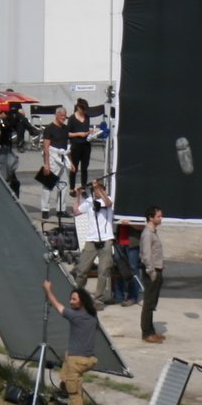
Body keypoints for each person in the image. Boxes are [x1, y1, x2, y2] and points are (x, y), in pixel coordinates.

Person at [41, 278, 101, 405]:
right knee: (64, 377)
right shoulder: (92, 317)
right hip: (87, 359)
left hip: (76, 361)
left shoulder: (76, 316)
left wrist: (48, 290)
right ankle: (60, 397)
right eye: (70, 298)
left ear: (82, 301)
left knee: (75, 395)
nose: (70, 301)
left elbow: (58, 306)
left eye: (74, 299)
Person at [73, 178, 116, 307]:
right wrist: (78, 195)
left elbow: (108, 203)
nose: (97, 191)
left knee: (103, 271)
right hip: (91, 239)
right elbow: (76, 211)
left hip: (106, 239)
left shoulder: (108, 199)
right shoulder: (89, 202)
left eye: (100, 189)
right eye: (95, 190)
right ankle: (77, 294)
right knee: (82, 269)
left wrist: (98, 188)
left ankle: (99, 298)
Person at [139, 205, 167, 343]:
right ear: (151, 217)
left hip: (157, 269)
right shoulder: (148, 234)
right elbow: (146, 255)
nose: (161, 218)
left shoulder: (153, 232)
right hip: (152, 271)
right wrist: (151, 272)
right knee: (149, 303)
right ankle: (146, 332)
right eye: (158, 216)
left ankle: (152, 330)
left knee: (152, 302)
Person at [0, 102, 29, 195]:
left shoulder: (16, 104)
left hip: (14, 124)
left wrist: (14, 114)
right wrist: (6, 114)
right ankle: (30, 131)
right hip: (5, 124)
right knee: (20, 119)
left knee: (20, 119)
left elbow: (22, 112)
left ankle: (21, 141)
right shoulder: (0, 103)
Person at [39, 114, 71, 215]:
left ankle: (61, 209)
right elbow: (46, 147)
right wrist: (46, 164)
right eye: (61, 115)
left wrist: (71, 162)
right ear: (56, 116)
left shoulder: (66, 128)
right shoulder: (49, 128)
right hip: (53, 157)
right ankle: (45, 209)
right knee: (48, 184)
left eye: (65, 116)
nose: (63, 117)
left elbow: (67, 146)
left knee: (63, 184)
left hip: (63, 158)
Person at [112, 216, 142, 306]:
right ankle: (118, 296)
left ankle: (132, 297)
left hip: (132, 243)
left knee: (133, 269)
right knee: (118, 268)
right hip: (119, 241)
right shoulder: (120, 208)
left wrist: (129, 223)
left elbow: (143, 226)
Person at [66, 100, 94, 192]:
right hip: (76, 145)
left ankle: (83, 187)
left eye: (85, 110)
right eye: (83, 109)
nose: (84, 112)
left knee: (84, 168)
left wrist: (90, 133)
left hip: (86, 145)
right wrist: (79, 134)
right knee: (74, 167)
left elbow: (86, 130)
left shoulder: (87, 117)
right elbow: (68, 134)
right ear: (78, 108)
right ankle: (72, 187)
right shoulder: (72, 119)